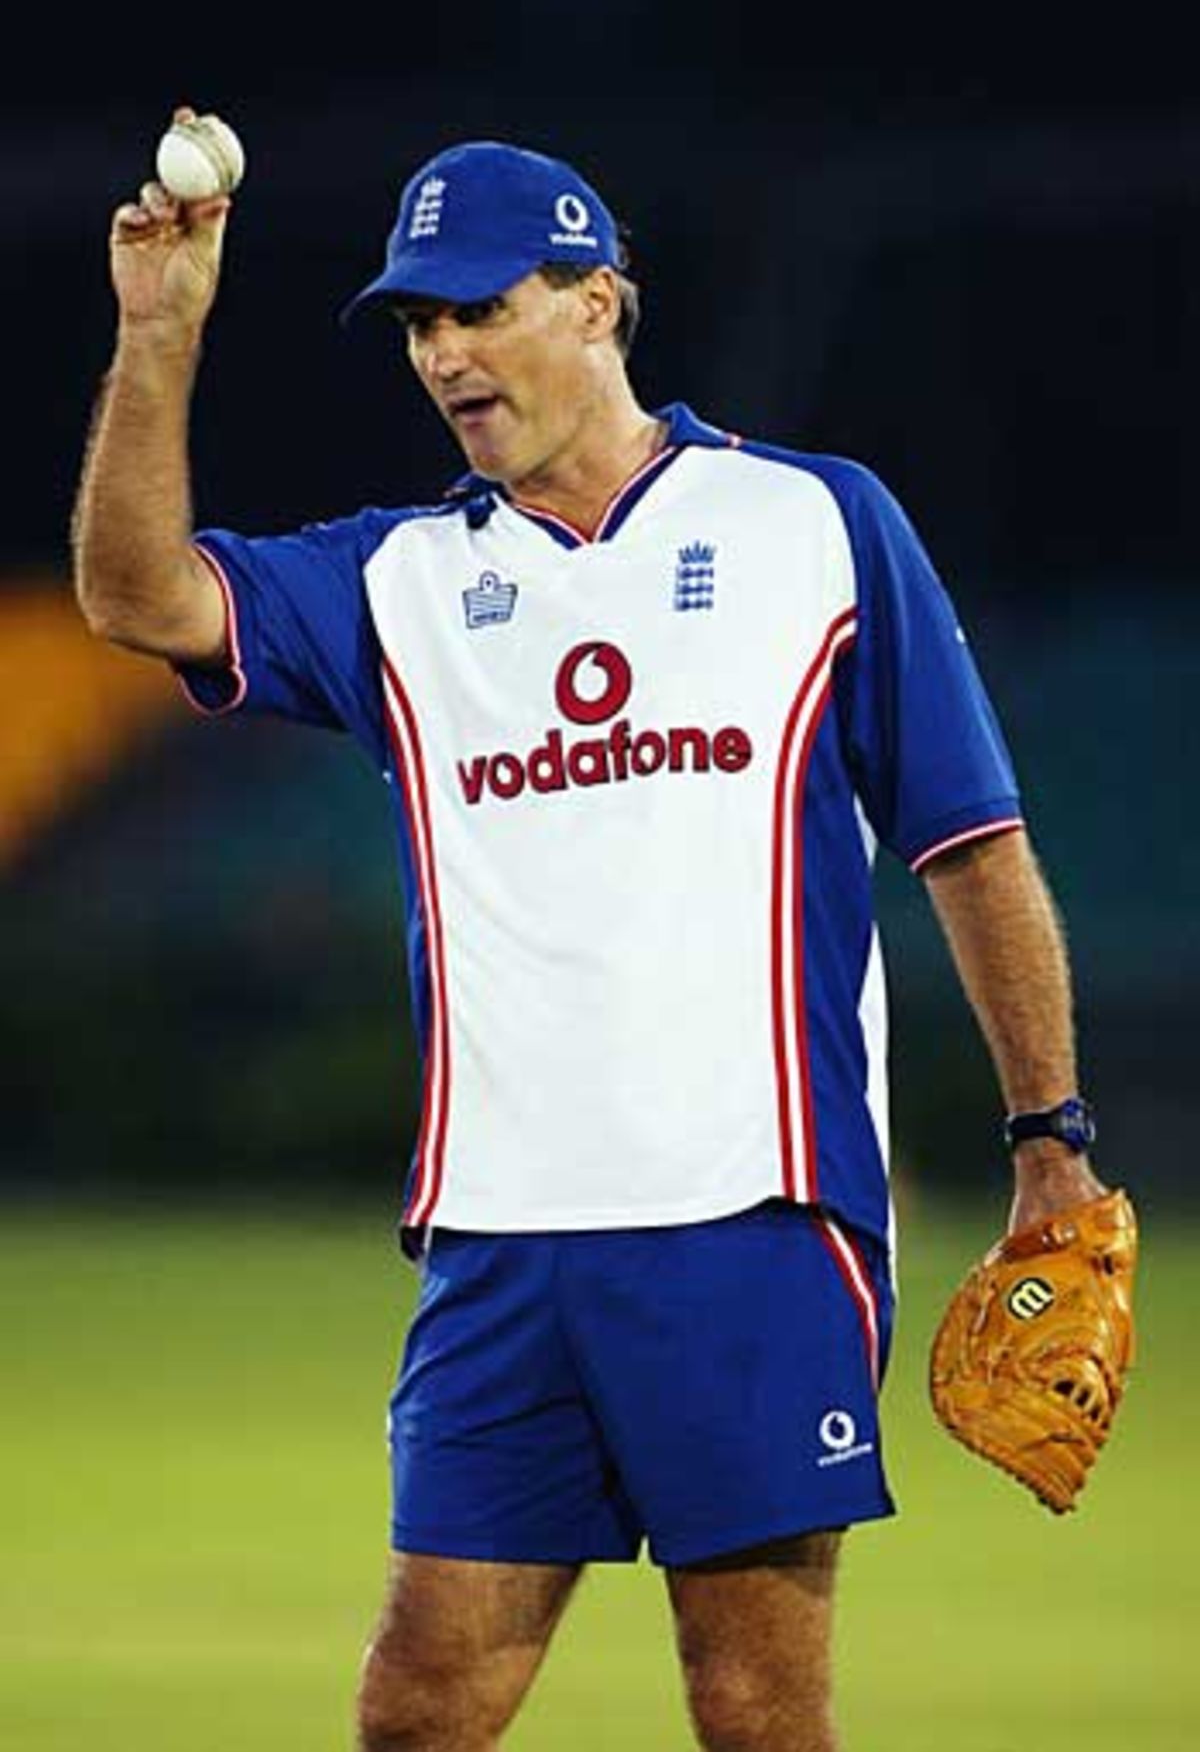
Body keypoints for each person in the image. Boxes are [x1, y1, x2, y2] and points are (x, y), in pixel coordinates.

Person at [73, 112, 1110, 1752]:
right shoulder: (397, 583)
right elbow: (136, 595)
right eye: (420, 321)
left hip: (750, 1223)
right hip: (501, 1238)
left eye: (481, 305)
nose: (445, 352)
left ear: (598, 302)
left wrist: (1048, 1139)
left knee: (758, 1705)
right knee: (419, 1706)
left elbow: (971, 845)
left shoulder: (814, 526)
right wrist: (158, 335)